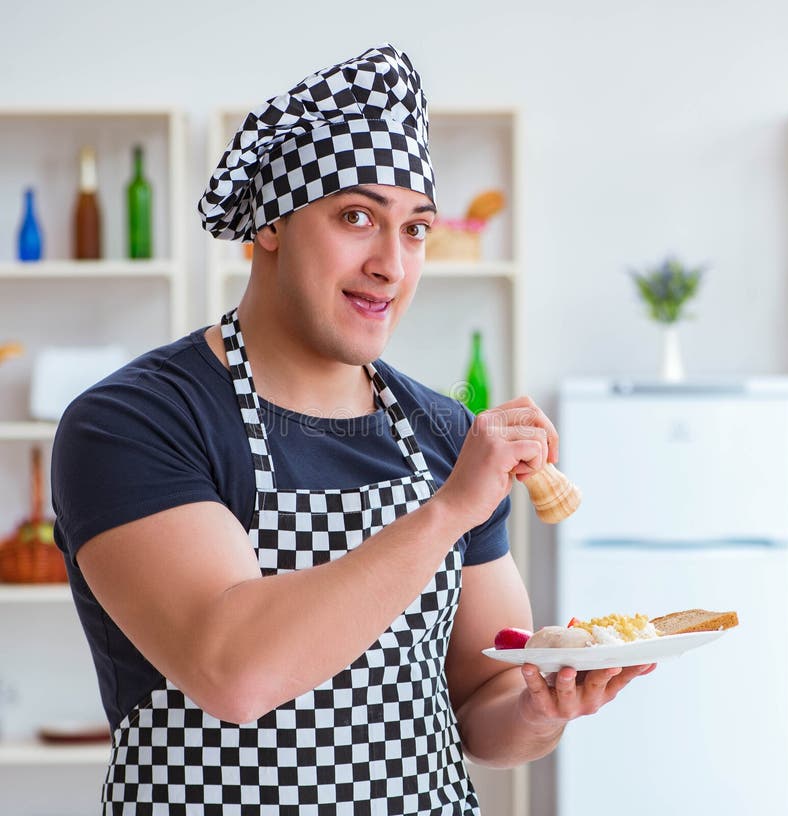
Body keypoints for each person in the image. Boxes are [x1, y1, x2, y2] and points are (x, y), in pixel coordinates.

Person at [52, 43, 653, 815]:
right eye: (356, 217)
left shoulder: (443, 432)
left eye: (414, 231)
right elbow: (236, 671)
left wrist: (542, 709)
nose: (391, 266)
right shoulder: (136, 421)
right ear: (271, 225)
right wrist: (446, 512)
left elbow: (488, 698)